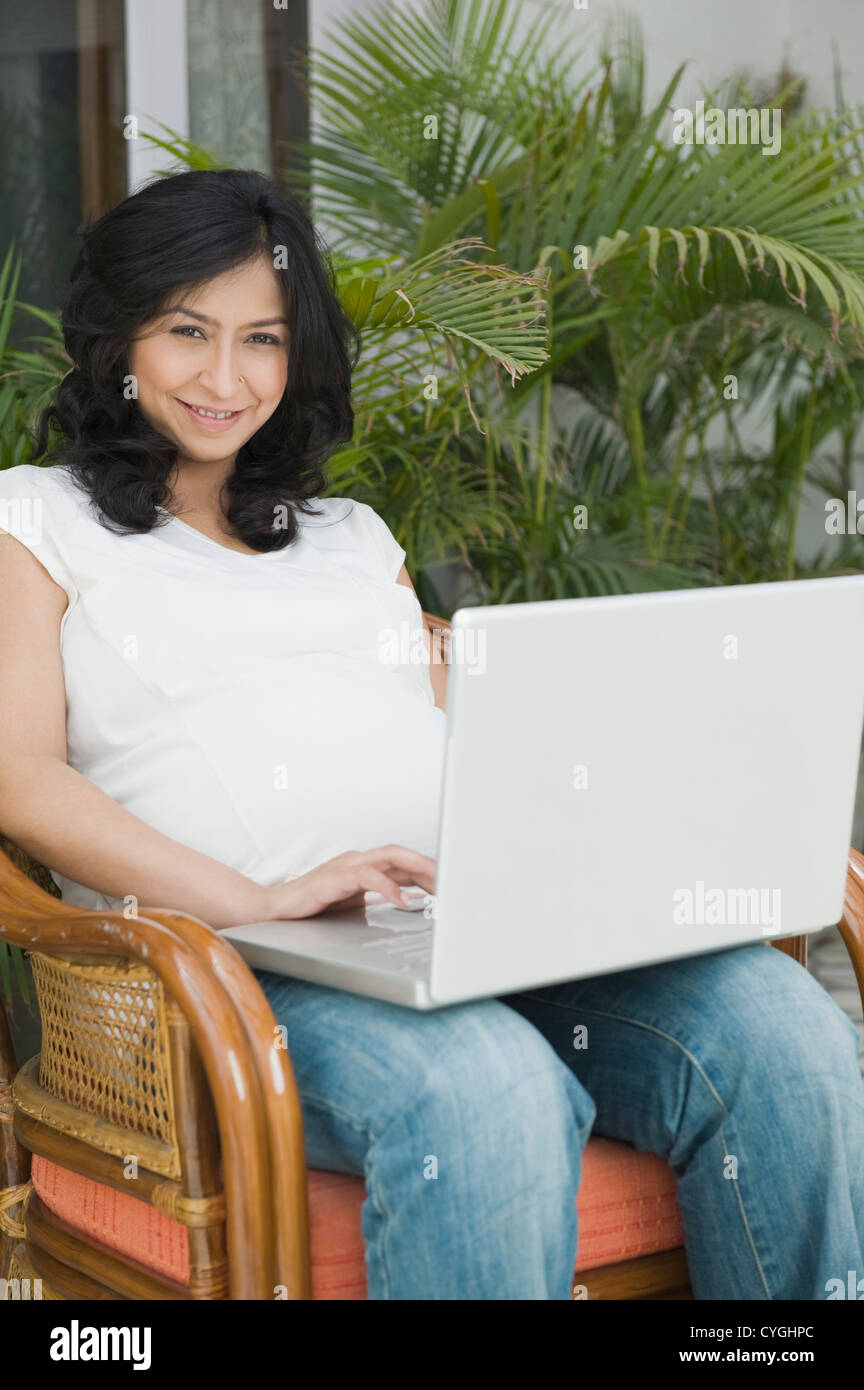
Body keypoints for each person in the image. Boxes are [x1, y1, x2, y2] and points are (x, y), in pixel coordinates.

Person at [0, 169, 861, 1301]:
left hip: (447, 936)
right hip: (221, 977)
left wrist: (620, 835)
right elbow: (19, 778)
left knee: (783, 1033)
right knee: (485, 1090)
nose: (225, 377)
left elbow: (475, 738)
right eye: (186, 331)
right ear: (120, 340)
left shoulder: (350, 536)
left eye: (262, 340)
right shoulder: (37, 519)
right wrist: (256, 899)